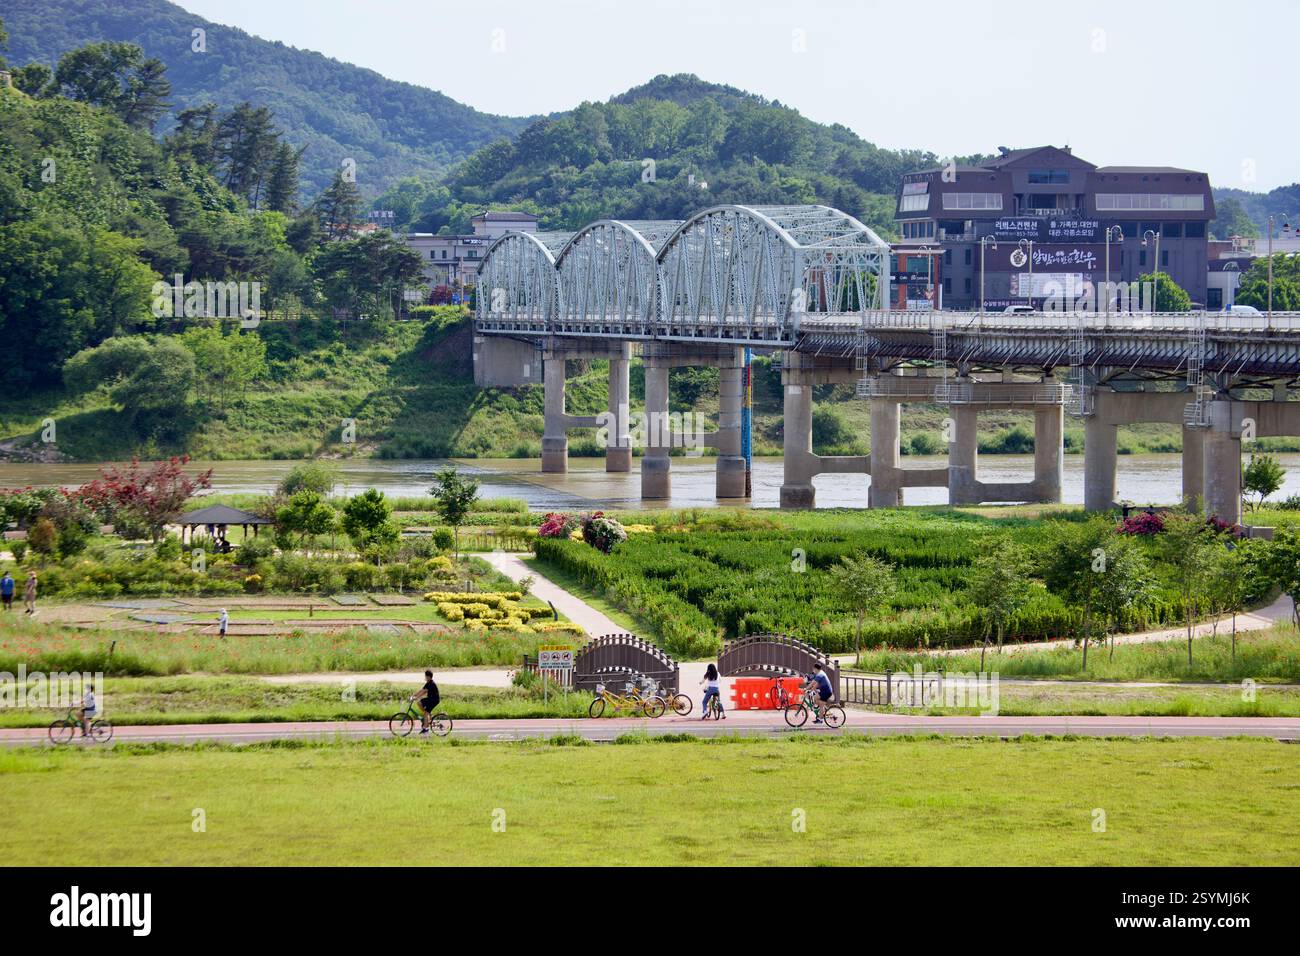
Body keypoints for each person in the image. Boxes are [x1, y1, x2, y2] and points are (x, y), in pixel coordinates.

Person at [413, 670, 441, 734]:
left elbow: (424, 692)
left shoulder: (431, 684)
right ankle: (427, 716)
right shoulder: (428, 683)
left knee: (425, 713)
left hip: (434, 700)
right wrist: (413, 696)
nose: (425, 677)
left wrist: (416, 697)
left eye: (425, 676)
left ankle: (426, 729)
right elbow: (421, 690)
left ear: (429, 677)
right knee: (419, 703)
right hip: (430, 699)